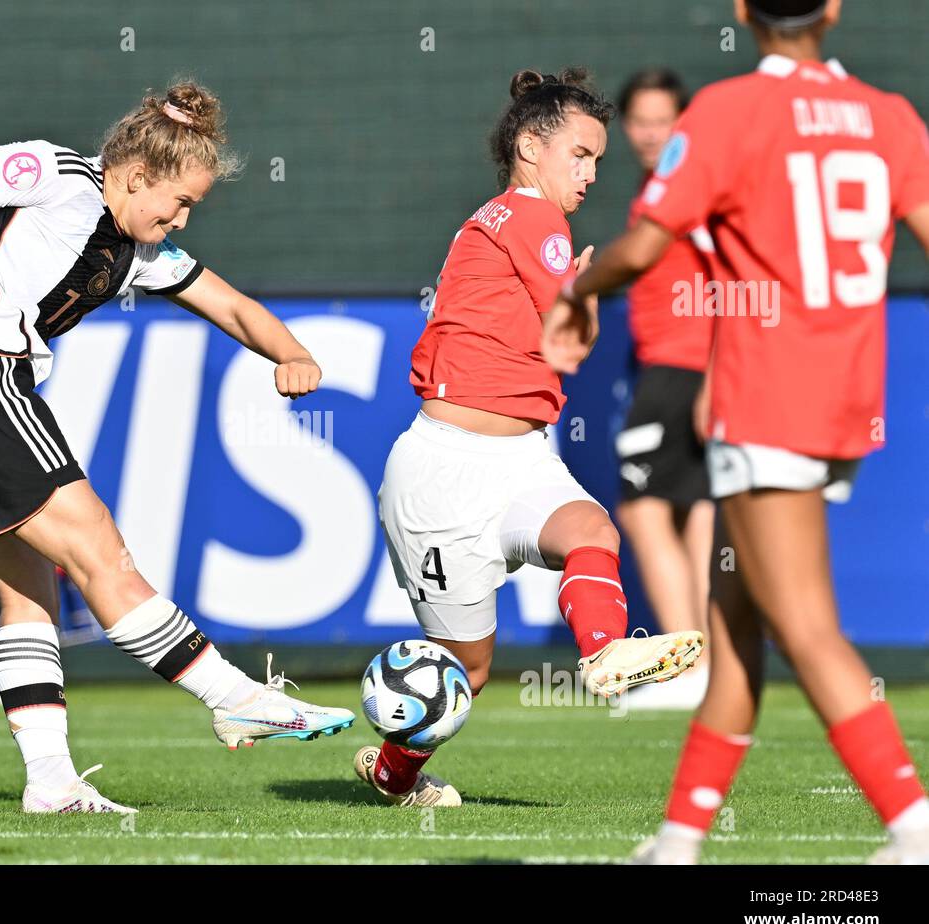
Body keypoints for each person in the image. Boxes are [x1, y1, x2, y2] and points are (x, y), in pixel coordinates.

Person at [0, 82, 355, 814]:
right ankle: (237, 696)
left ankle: (52, 783)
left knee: (29, 588)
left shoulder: (136, 251)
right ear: (135, 174)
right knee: (101, 551)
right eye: (178, 202)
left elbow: (229, 304)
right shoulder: (57, 173)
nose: (181, 218)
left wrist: (293, 354)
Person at [542, 0, 929, 863]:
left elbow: (643, 247)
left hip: (767, 396)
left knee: (805, 625)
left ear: (743, 11)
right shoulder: (891, 117)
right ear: (832, 10)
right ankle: (679, 841)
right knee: (736, 628)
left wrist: (576, 290)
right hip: (841, 395)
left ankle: (914, 826)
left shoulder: (729, 109)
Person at [357, 68, 705, 808]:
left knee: (590, 529)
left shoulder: (513, 220)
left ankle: (605, 651)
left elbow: (561, 336)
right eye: (578, 155)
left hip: (519, 458)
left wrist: (578, 304)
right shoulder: (532, 217)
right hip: (444, 473)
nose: (588, 174)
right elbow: (571, 345)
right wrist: (583, 300)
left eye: (597, 162)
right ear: (528, 146)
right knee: (466, 674)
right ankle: (393, 772)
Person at [611, 70, 716, 711]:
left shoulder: (688, 187)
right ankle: (707, 665)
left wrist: (721, 371)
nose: (651, 133)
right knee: (700, 511)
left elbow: (738, 270)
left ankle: (687, 668)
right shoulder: (661, 185)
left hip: (686, 368)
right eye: (640, 121)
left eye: (663, 120)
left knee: (642, 508)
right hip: (687, 366)